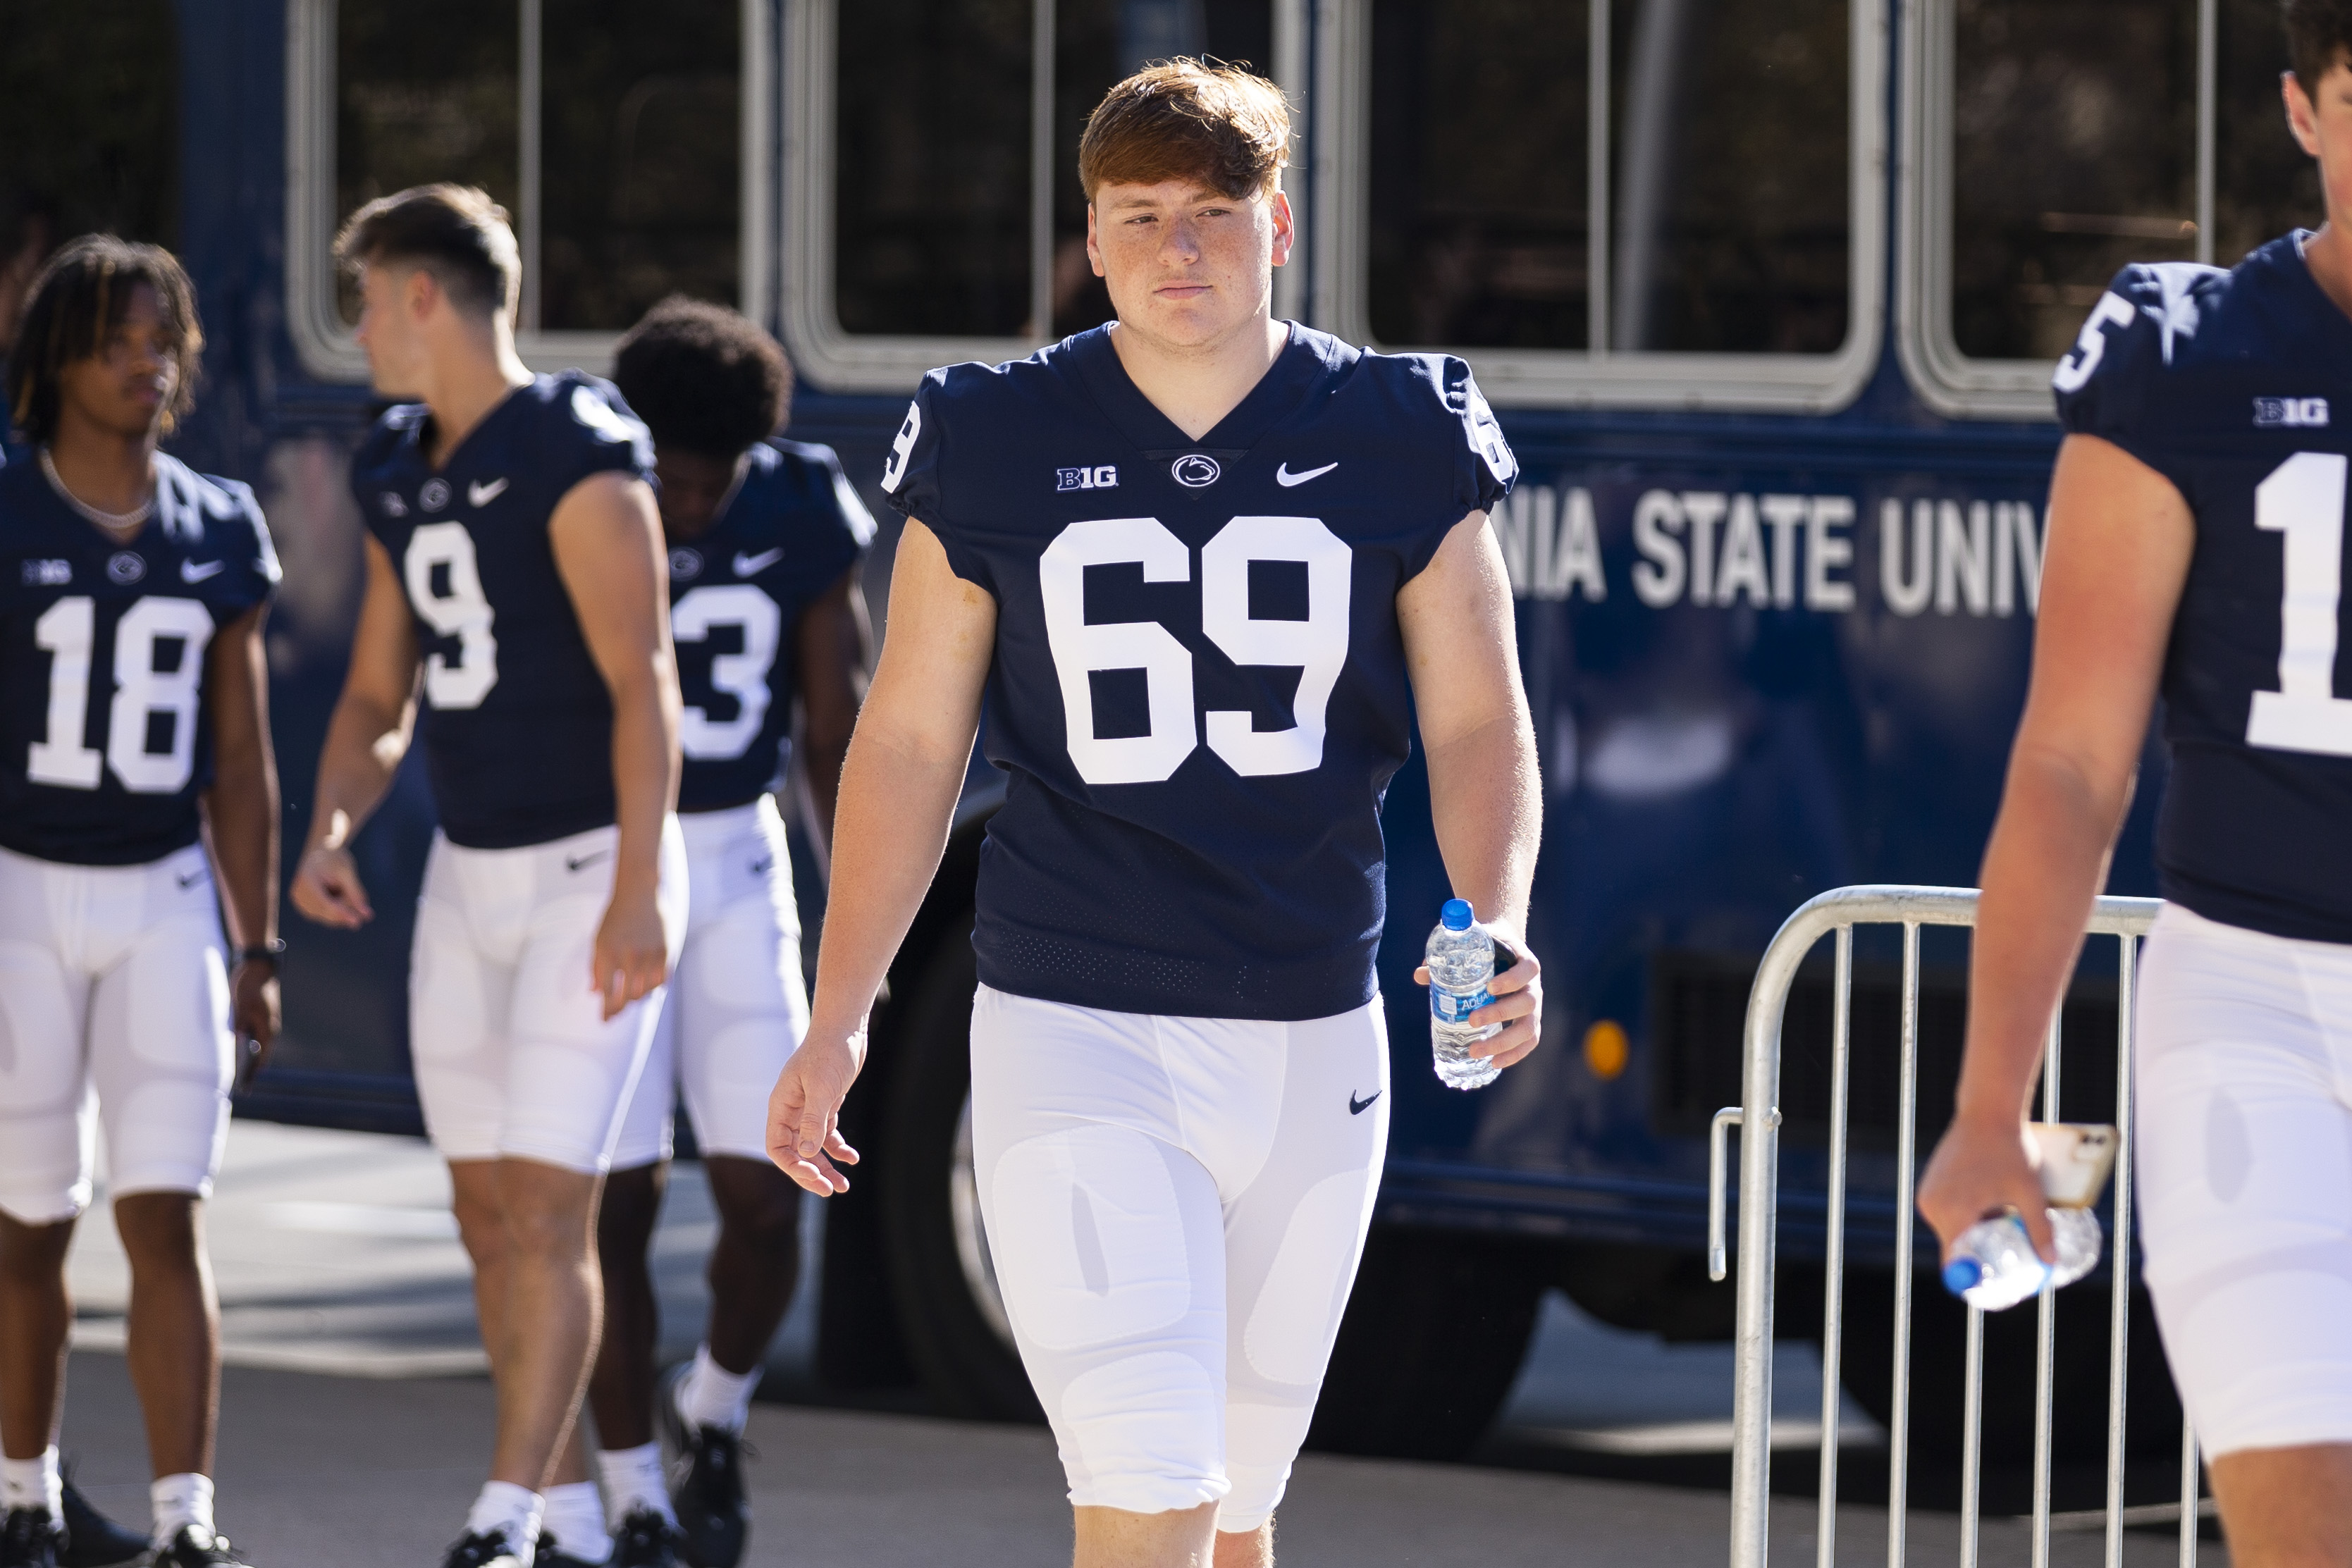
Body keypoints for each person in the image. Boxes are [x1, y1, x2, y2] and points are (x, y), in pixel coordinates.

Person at [765, 60, 1544, 1568]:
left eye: (1212, 211)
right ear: (1093, 237)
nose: (1177, 248)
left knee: (1236, 1512)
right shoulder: (988, 435)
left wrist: (1490, 910)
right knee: (1152, 1492)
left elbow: (1473, 713)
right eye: (1141, 216)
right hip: (1079, 1022)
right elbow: (913, 739)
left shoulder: (1401, 426)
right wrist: (840, 1008)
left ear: (1280, 227)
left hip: (1316, 1033)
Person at [1917, 7, 2352, 1564]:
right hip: (2252, 1004)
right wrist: (1988, 1107)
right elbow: (2069, 757)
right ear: (2302, 112)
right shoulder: (2191, 352)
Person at [287, 185, 685, 1568]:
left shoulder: (577, 446)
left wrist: (642, 885)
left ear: (418, 293)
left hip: (589, 868)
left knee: (548, 1204)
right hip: (469, 871)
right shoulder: (406, 463)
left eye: (367, 302)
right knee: (480, 1213)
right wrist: (332, 827)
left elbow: (645, 684)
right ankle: (563, 1510)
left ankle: (502, 1517)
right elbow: (374, 698)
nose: (359, 337)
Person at [559, 300, 870, 1568]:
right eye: (666, 485)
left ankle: (714, 1415)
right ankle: (633, 1492)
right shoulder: (586, 485)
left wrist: (863, 917)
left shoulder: (796, 506)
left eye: (707, 486)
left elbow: (834, 727)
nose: (684, 509)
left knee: (766, 1187)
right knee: (616, 1202)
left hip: (737, 854)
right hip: (603, 858)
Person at [0, 236, 279, 1568]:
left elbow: (243, 756)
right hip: (17, 886)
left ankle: (187, 1520)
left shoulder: (218, 520)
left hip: (165, 890)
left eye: (162, 336)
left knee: (167, 1208)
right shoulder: (5, 503)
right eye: (118, 337)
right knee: (25, 1216)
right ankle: (22, 1496)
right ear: (56, 354)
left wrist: (260, 936)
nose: (146, 361)